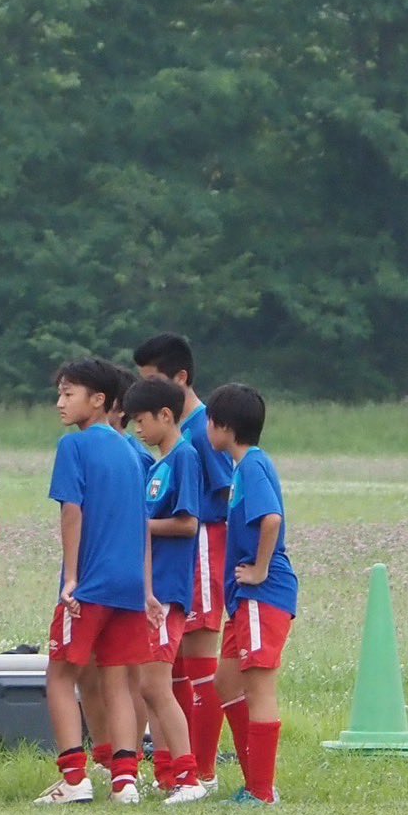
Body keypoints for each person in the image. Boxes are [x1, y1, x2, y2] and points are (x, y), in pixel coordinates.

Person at [34, 357, 155, 807]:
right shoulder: (132, 452)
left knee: (60, 674)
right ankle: (125, 782)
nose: (59, 403)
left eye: (69, 394)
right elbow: (143, 525)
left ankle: (74, 777)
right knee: (118, 680)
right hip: (129, 586)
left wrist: (71, 578)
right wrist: (146, 588)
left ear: (99, 400)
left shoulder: (74, 447)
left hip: (90, 585)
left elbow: (72, 512)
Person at [134, 332, 231, 787]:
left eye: (152, 381)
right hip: (173, 558)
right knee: (168, 668)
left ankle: (203, 771)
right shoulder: (165, 448)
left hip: (203, 549)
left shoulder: (203, 431)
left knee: (199, 661)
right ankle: (172, 768)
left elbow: (226, 494)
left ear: (180, 379)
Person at [207, 383, 297, 806]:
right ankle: (254, 780)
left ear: (225, 427)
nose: (207, 429)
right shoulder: (241, 468)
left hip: (264, 594)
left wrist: (259, 569)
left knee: (259, 687)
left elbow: (271, 519)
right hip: (244, 600)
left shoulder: (253, 465)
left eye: (210, 422)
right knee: (226, 681)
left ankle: (261, 791)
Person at [122, 376, 207, 804]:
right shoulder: (158, 465)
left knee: (156, 686)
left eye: (142, 420)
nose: (138, 429)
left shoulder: (185, 457)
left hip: (168, 591)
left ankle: (190, 778)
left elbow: (188, 523)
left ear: (166, 416)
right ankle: (168, 773)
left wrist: (137, 525)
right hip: (150, 588)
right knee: (147, 686)